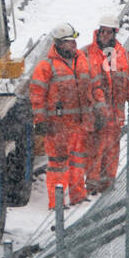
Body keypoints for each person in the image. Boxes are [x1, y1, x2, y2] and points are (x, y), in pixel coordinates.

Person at [29, 23, 106, 210]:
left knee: (78, 161)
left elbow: (95, 88)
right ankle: (56, 203)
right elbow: (37, 96)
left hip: (80, 124)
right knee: (57, 165)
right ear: (59, 44)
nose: (73, 45)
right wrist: (40, 121)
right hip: (57, 127)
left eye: (74, 42)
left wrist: (100, 110)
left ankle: (78, 196)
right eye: (69, 42)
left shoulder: (83, 61)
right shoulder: (45, 67)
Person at [82, 12, 129, 193]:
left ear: (114, 33)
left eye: (109, 32)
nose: (105, 35)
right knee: (95, 148)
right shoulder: (86, 54)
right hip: (95, 112)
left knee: (112, 148)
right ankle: (92, 183)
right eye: (103, 32)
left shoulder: (121, 54)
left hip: (115, 112)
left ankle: (108, 182)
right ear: (98, 32)